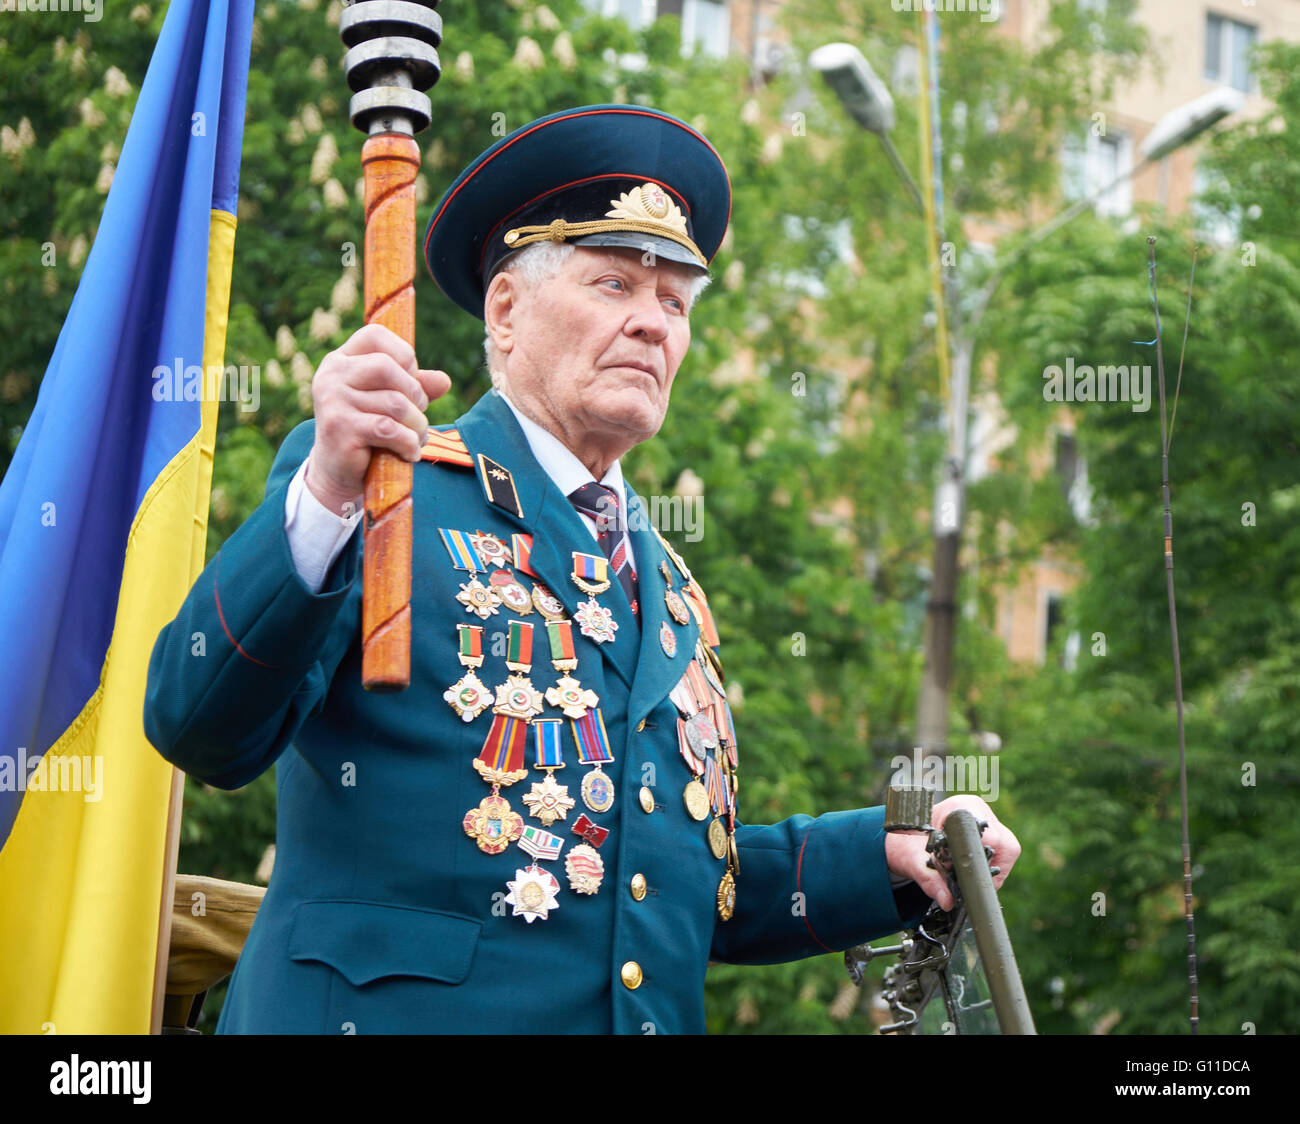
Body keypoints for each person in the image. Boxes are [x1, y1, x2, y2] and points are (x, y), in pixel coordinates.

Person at [144, 105, 1019, 1034]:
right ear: (507, 310)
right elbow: (198, 722)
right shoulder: (386, 488)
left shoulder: (670, 587)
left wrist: (889, 854)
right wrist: (327, 486)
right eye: (614, 286)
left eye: (675, 304)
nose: (653, 325)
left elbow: (672, 887)